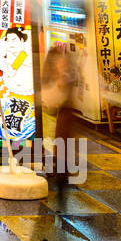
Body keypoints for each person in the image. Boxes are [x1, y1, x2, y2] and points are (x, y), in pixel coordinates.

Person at [40, 43, 84, 189]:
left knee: (58, 142)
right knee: (50, 140)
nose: (63, 62)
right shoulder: (50, 79)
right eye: (60, 60)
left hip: (59, 116)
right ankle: (54, 167)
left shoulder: (66, 76)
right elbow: (50, 98)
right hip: (49, 115)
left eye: (63, 59)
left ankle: (60, 169)